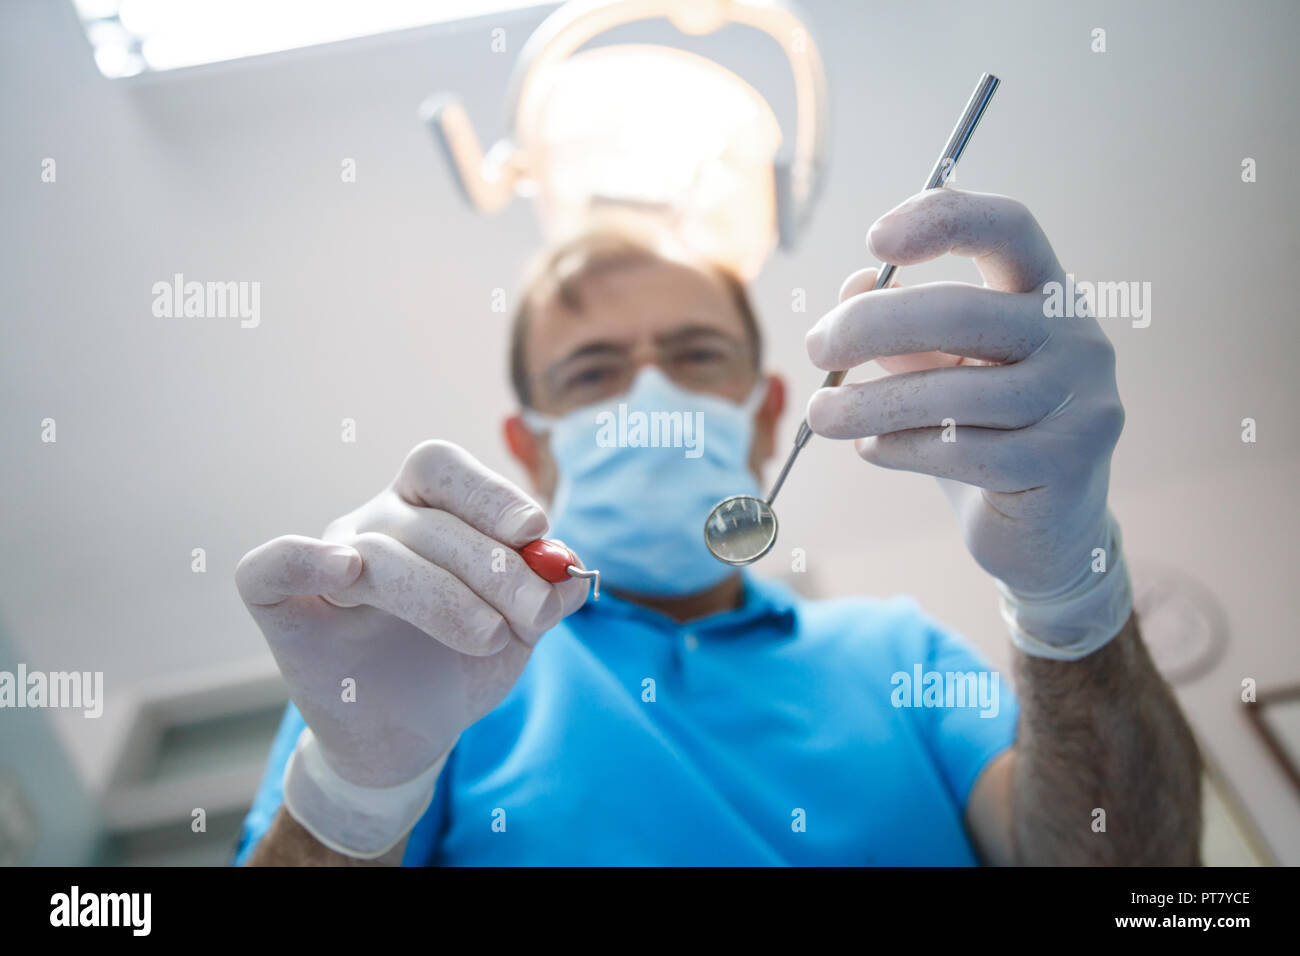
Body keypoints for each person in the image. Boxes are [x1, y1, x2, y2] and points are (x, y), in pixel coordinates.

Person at [232, 188, 1201, 866]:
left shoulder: (900, 653)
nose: (649, 395)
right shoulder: (425, 661)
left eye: (693, 354)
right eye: (592, 371)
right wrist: (357, 803)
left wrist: (1071, 592)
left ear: (769, 408)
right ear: (528, 447)